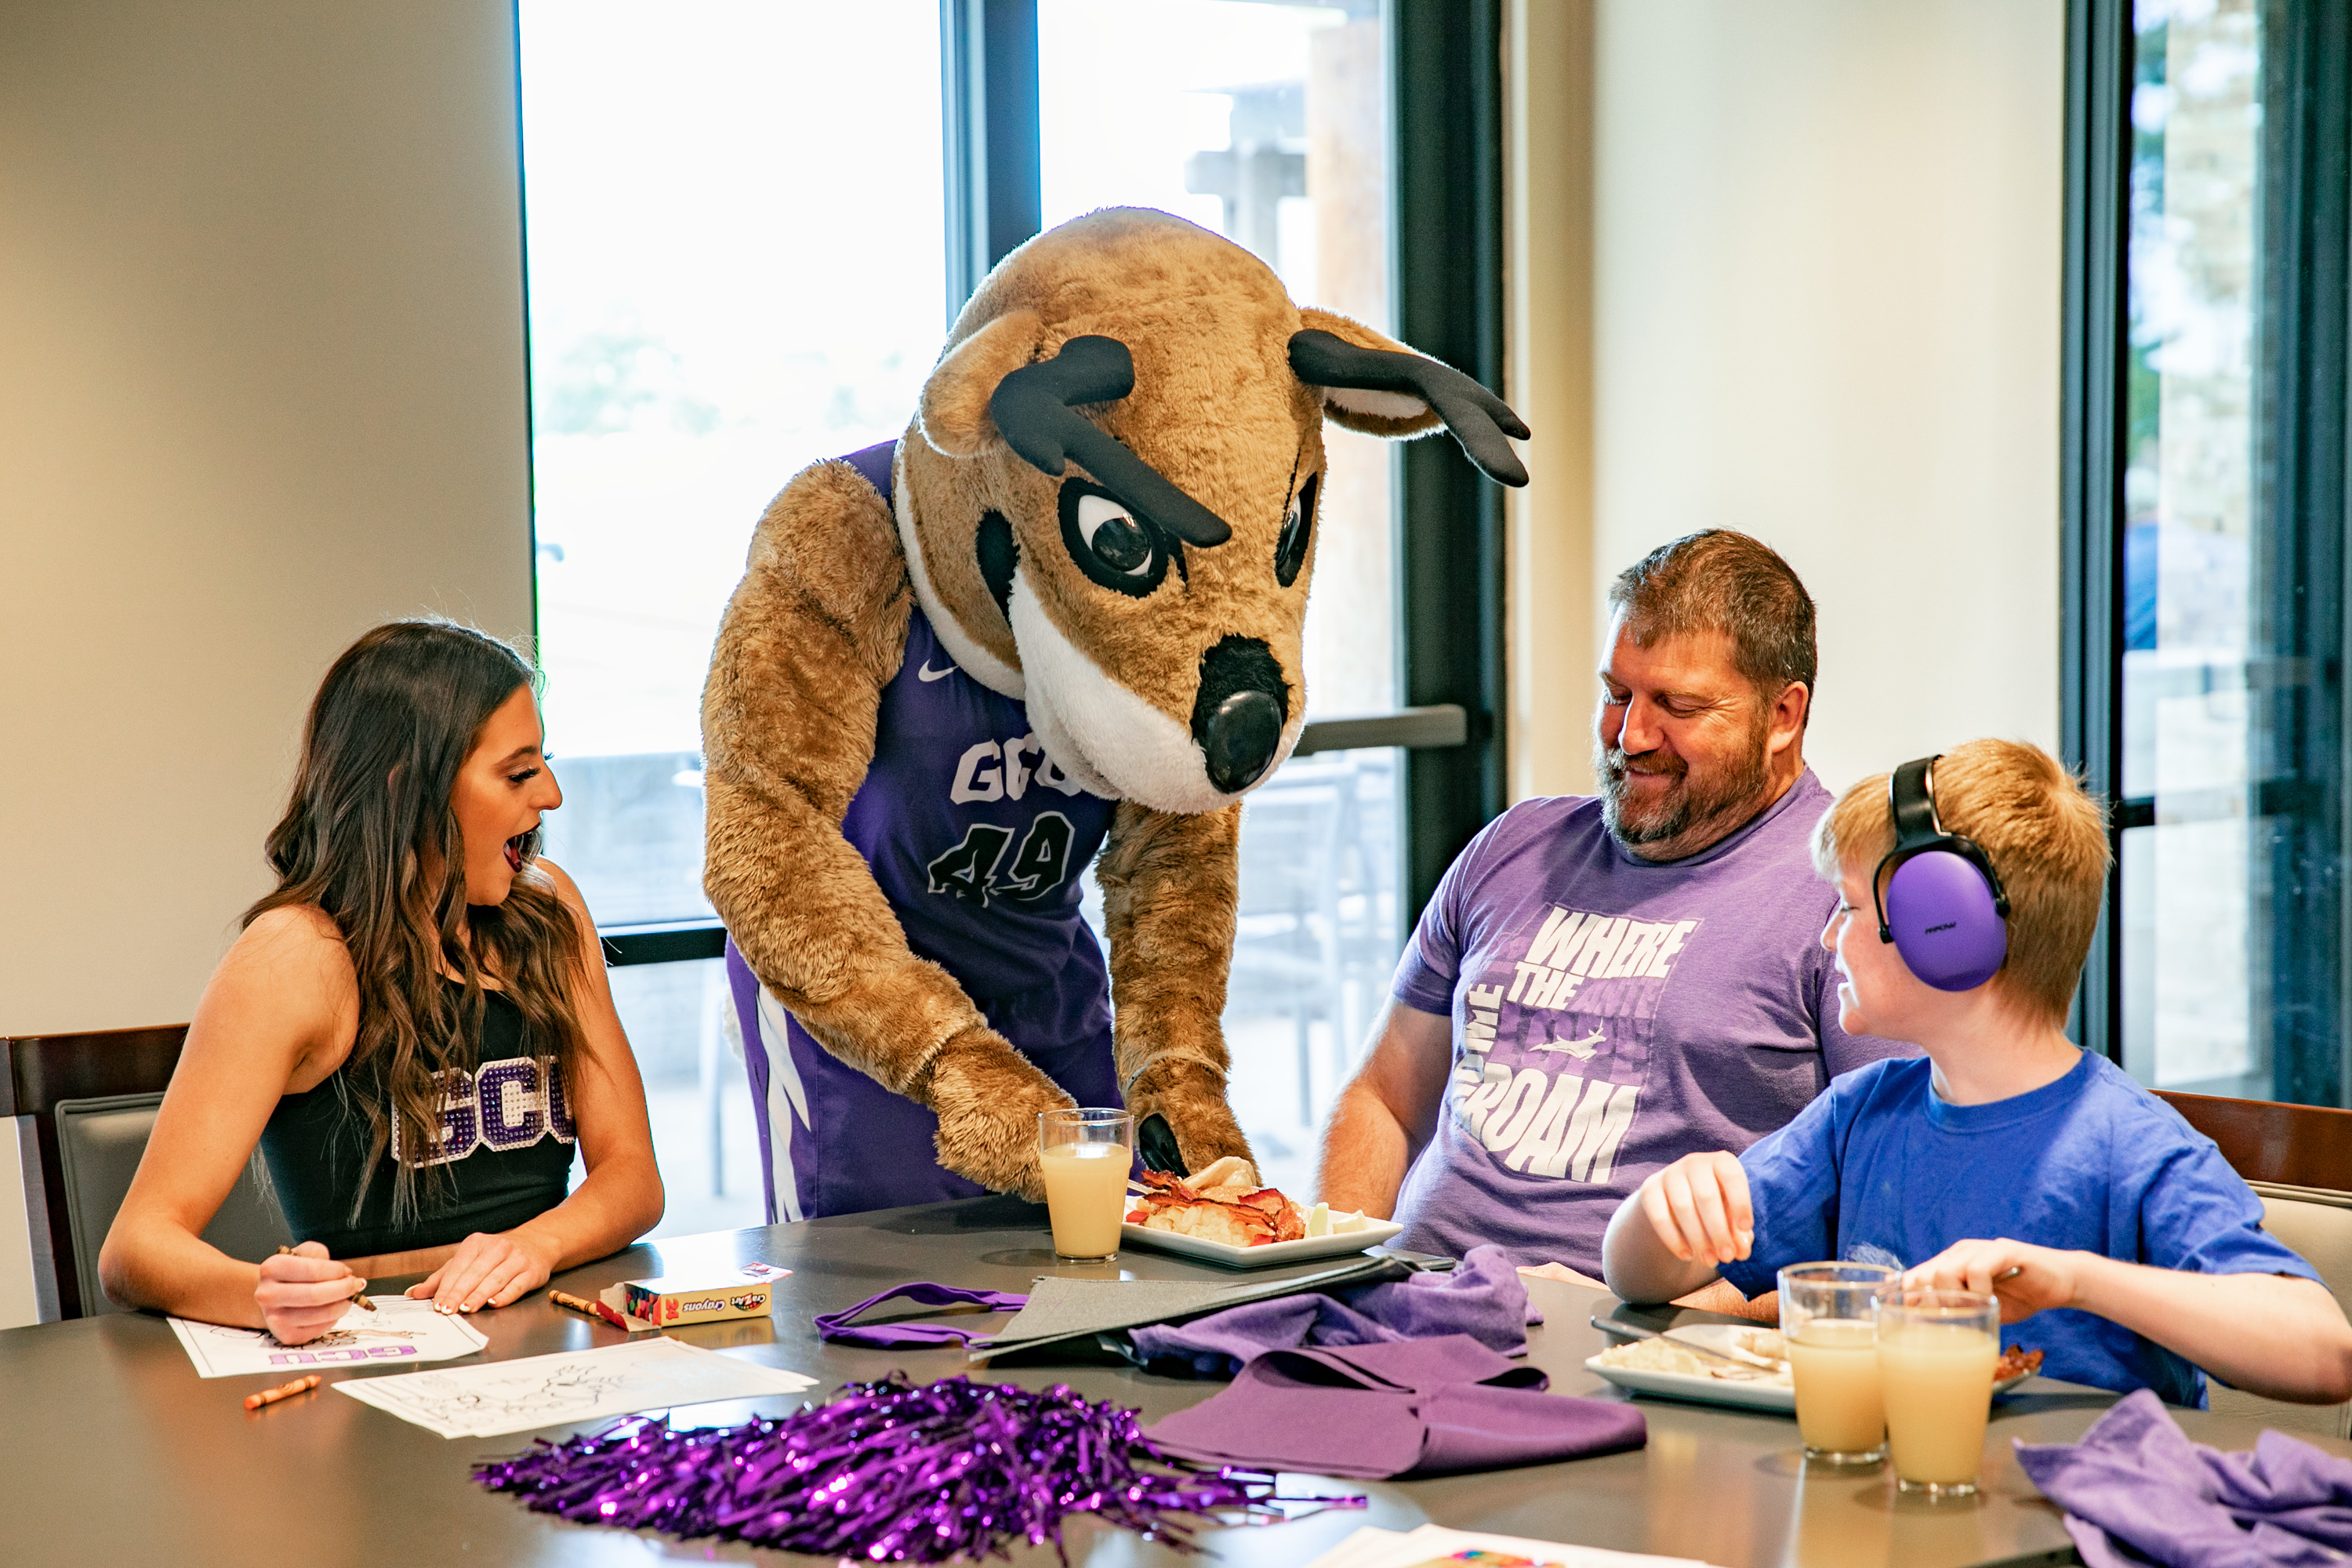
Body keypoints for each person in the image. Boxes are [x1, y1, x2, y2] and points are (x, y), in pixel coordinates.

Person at [1601, 739, 2352, 1404]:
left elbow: (2325, 1356)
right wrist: (1662, 1215)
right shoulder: (1861, 1114)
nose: (1829, 936)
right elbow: (1637, 1279)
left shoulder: (2130, 1145)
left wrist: (2076, 1279)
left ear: (1947, 928)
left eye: (1850, 907)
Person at [1317, 531, 1907, 1289]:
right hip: (1405, 1302)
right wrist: (1326, 1281)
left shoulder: (1850, 899)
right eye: (1617, 693)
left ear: (1784, 716)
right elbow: (1385, 1100)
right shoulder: (1511, 847)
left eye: (1678, 705)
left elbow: (1887, 1238)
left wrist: (1685, 1323)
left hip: (1626, 1341)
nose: (1630, 737)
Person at [100, 621, 664, 1345]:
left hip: (542, 1338)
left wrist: (537, 1245)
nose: (550, 796)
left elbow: (632, 1176)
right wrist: (259, 1294)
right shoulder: (296, 956)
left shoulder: (549, 910)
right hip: (379, 1358)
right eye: (519, 773)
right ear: (409, 787)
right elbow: (136, 1249)